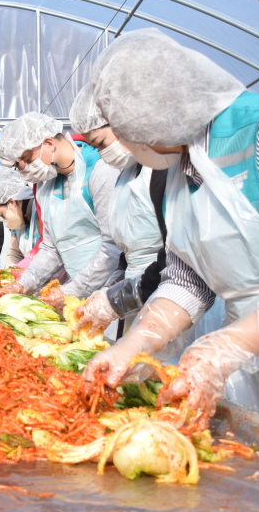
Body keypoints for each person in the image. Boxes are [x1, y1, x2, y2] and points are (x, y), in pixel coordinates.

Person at [83, 28, 259, 428]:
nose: (126, 144)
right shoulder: (178, 163)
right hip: (251, 352)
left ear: (153, 111)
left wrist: (226, 347)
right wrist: (136, 342)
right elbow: (187, 277)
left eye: (123, 127)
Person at [0, 112, 121, 309]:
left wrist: (71, 291)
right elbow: (51, 248)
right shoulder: (45, 187)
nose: (24, 169)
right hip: (77, 290)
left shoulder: (99, 170)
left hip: (112, 291)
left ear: (49, 143)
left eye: (26, 159)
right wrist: (24, 283)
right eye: (18, 167)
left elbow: (113, 246)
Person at [67, 83, 166, 337]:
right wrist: (112, 288)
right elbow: (124, 248)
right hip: (136, 289)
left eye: (100, 143)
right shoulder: (127, 174)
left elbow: (177, 254)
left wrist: (120, 297)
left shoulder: (162, 170)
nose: (101, 153)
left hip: (168, 291)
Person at [0, 168, 41, 269]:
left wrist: (27, 262)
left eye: (2, 215)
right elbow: (15, 252)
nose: (5, 222)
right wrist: (10, 271)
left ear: (12, 202)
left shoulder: (41, 211)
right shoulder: (19, 220)